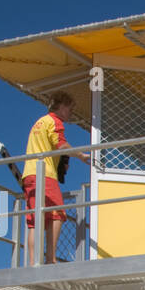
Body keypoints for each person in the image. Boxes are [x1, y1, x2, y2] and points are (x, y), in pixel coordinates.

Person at [22, 91, 90, 265]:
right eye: (70, 108)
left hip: (29, 174)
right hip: (44, 174)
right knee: (58, 214)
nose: (71, 113)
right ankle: (50, 259)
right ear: (61, 106)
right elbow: (61, 144)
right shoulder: (55, 122)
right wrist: (80, 155)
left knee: (35, 221)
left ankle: (32, 263)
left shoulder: (40, 122)